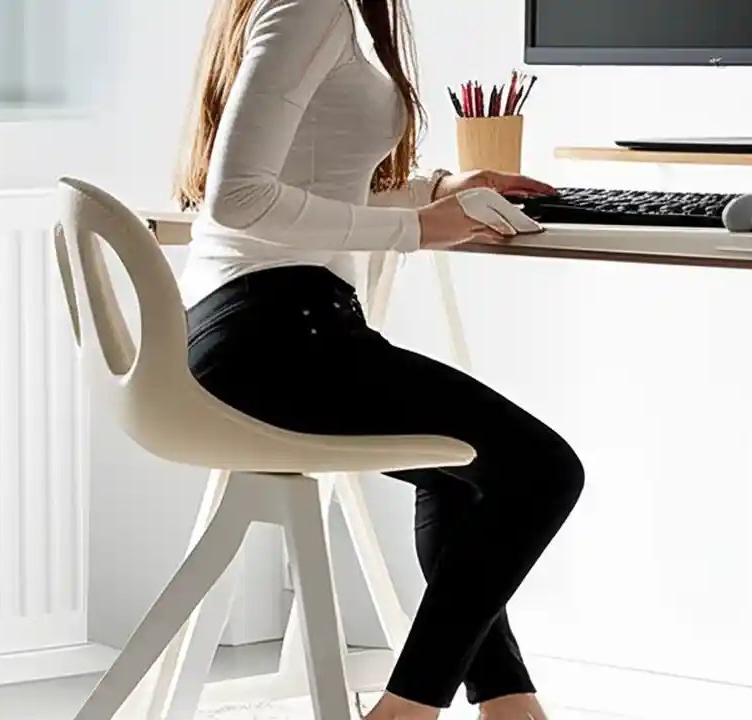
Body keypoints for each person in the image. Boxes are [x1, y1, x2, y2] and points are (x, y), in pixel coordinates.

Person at [174, 0, 584, 717]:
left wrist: (437, 192)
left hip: (255, 329)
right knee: (542, 470)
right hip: (276, 332)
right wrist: (416, 227)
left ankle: (510, 705)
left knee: (462, 477)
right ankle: (405, 710)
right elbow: (238, 198)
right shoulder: (312, 7)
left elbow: (311, 179)